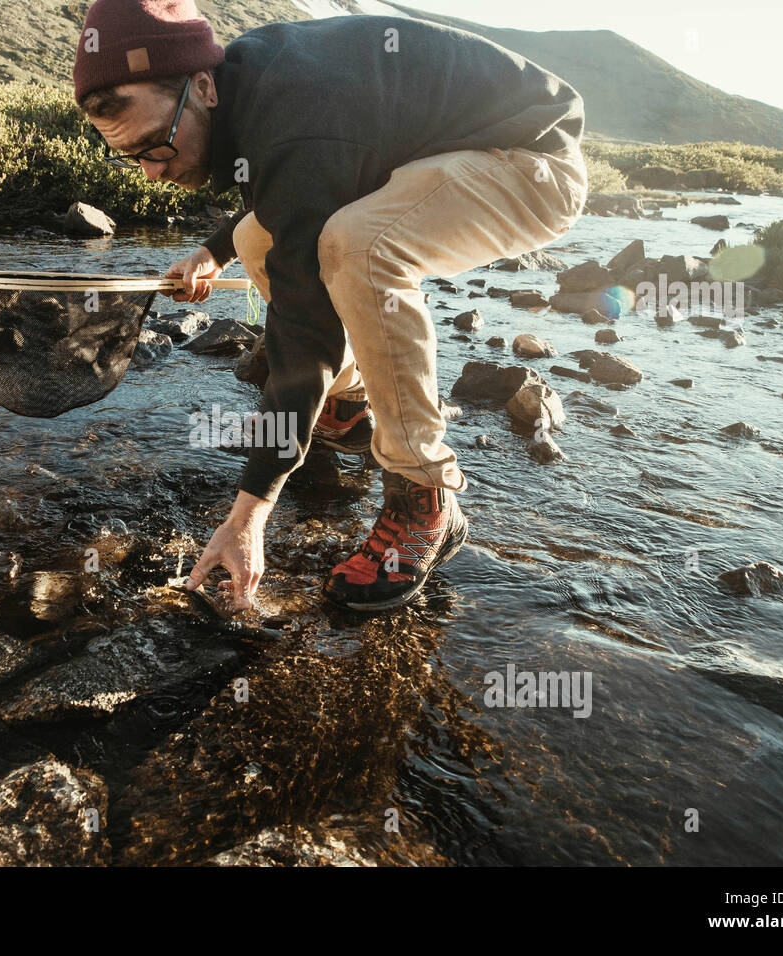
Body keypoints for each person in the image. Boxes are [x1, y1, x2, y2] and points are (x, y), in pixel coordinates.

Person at [74, 0, 587, 612]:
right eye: (132, 157)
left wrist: (248, 515)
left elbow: (303, 324)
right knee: (253, 237)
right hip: (439, 154)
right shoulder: (247, 91)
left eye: (157, 144)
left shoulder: (295, 110)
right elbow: (294, 193)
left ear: (203, 86)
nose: (153, 173)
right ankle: (344, 406)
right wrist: (215, 252)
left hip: (532, 163)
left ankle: (425, 492)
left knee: (361, 247)